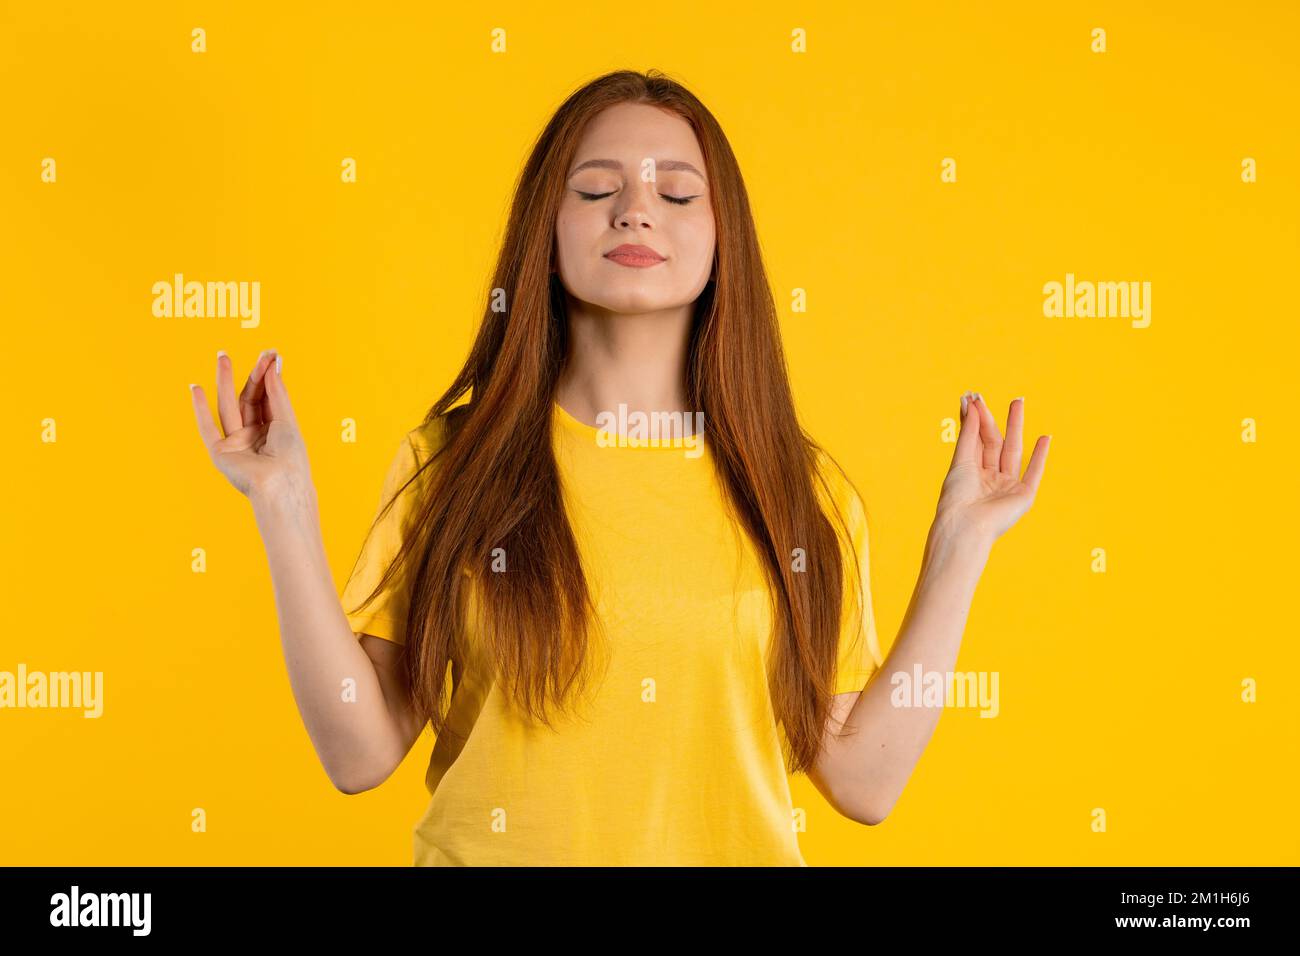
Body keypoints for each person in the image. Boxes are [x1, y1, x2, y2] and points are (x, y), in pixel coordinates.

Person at [188, 69, 1050, 866]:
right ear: (545, 229)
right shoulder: (451, 466)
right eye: (597, 188)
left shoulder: (800, 493)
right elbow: (357, 753)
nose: (635, 210)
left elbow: (865, 781)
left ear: (725, 238)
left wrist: (962, 544)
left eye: (676, 191)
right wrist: (283, 503)